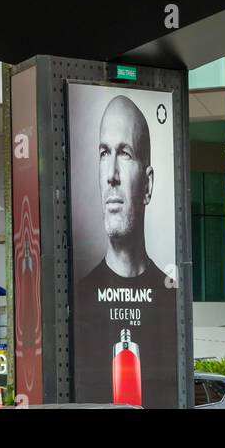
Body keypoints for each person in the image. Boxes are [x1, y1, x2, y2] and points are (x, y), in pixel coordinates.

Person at [73, 95, 178, 407]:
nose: (111, 174)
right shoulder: (78, 297)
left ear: (147, 185)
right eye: (104, 153)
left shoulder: (171, 299)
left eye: (125, 153)